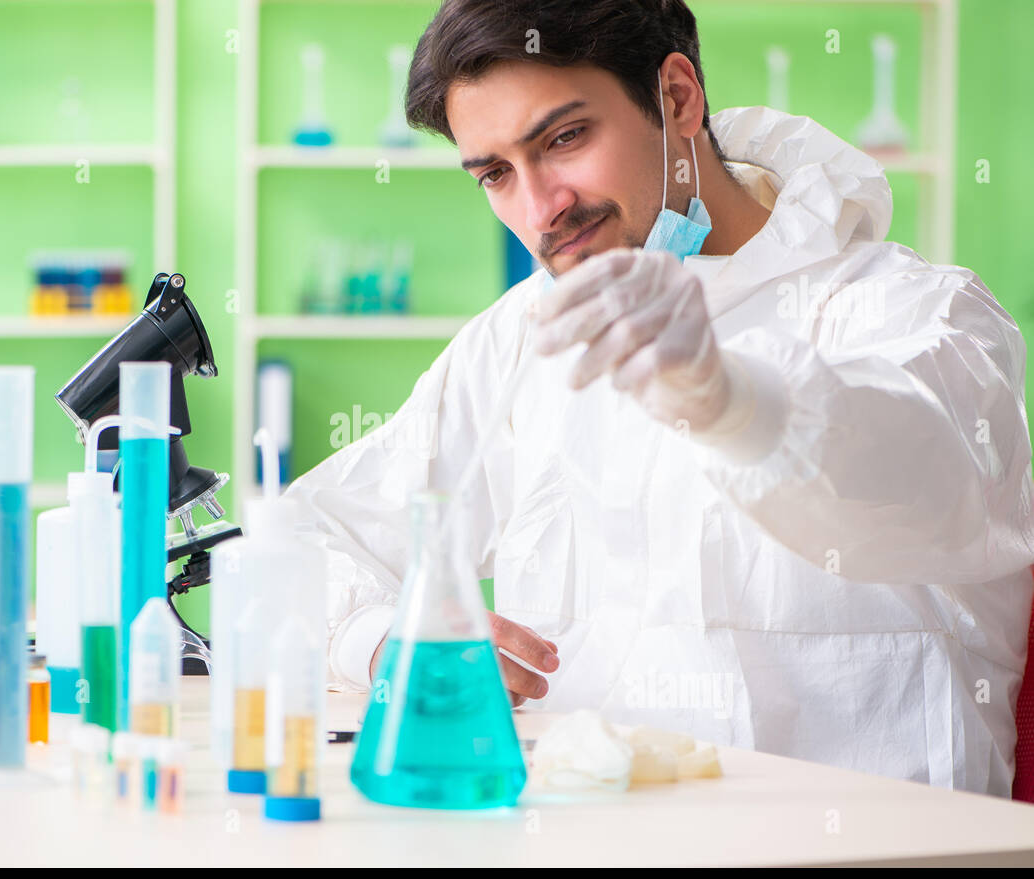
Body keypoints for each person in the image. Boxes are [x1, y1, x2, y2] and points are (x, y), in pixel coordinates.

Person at [279, 0, 1034, 796]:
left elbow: (935, 485)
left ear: (676, 97)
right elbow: (302, 533)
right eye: (496, 173)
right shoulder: (524, 338)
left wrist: (733, 400)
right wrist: (383, 638)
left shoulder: (916, 311)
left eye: (564, 139)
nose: (539, 209)